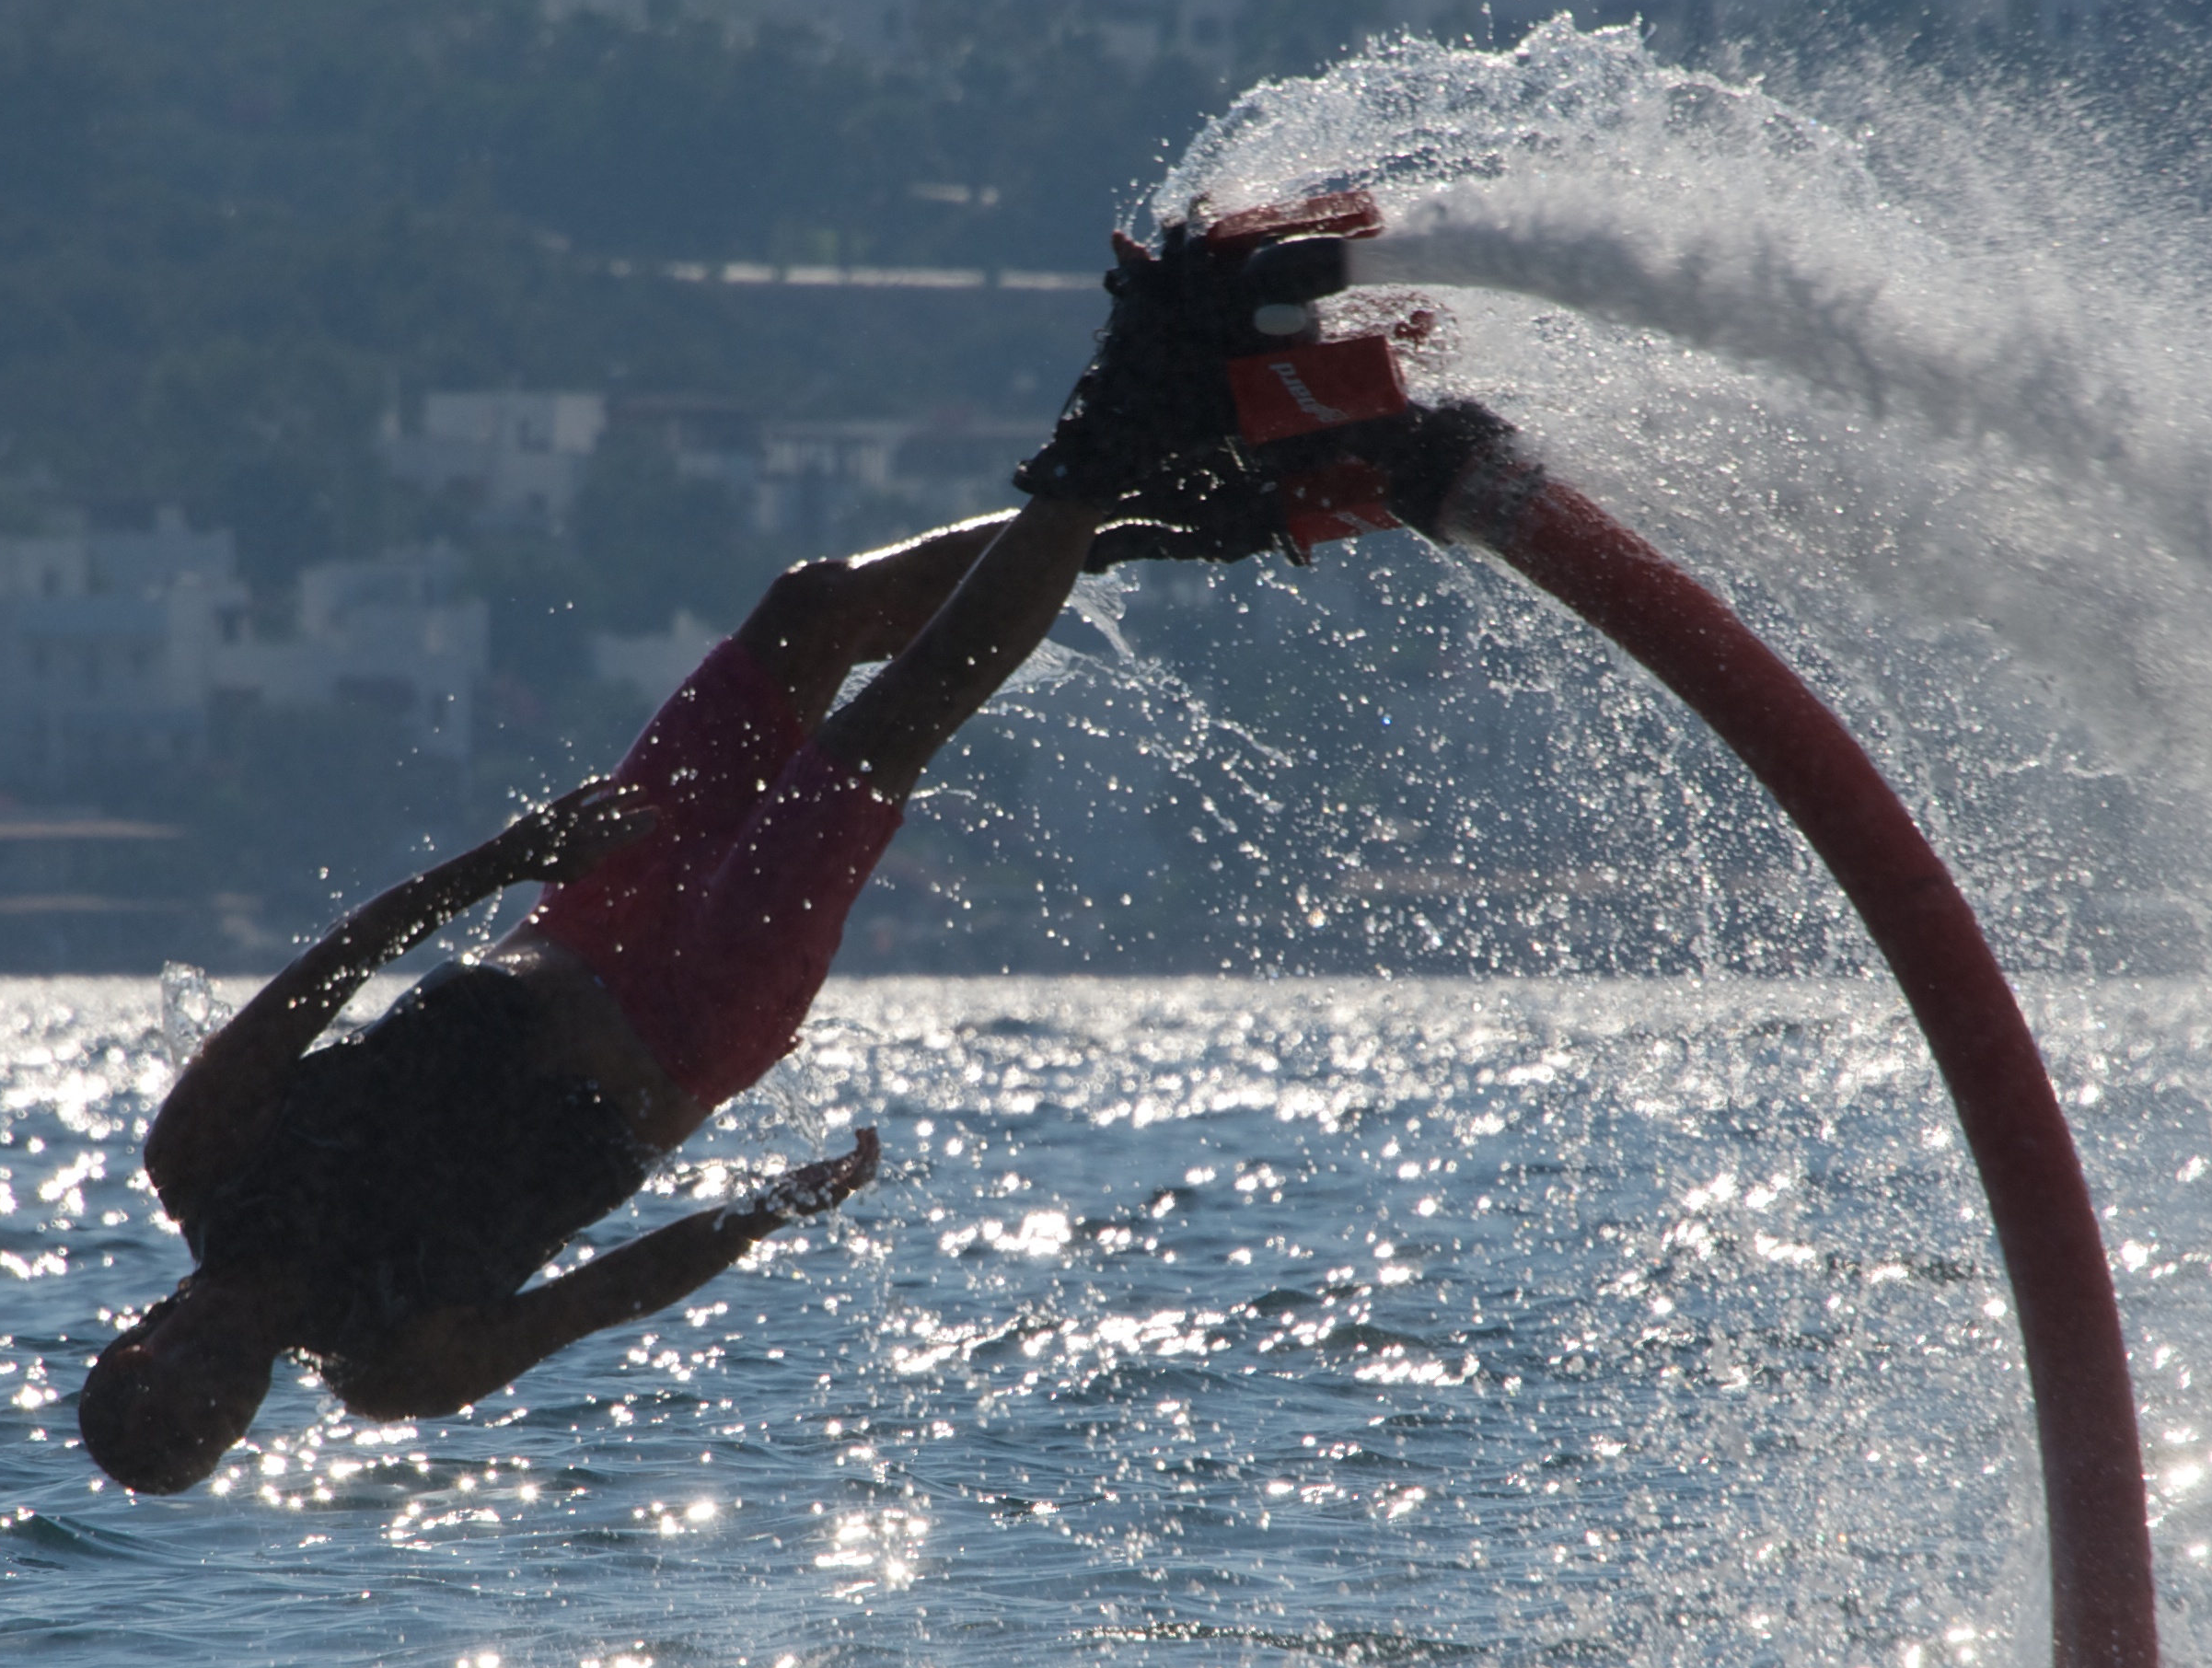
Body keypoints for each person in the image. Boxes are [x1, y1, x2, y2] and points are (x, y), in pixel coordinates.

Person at [77, 255, 1298, 1494]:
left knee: (812, 609)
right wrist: (765, 1211)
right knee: (880, 735)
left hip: (587, 907)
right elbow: (610, 1293)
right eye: (221, 1427)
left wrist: (510, 858)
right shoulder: (394, 1363)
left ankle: (1180, 505)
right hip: (695, 1020)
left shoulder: (200, 1155)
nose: (226, 1393)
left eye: (187, 1395)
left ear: (135, 1348)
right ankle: (1118, 423)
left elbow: (335, 963)